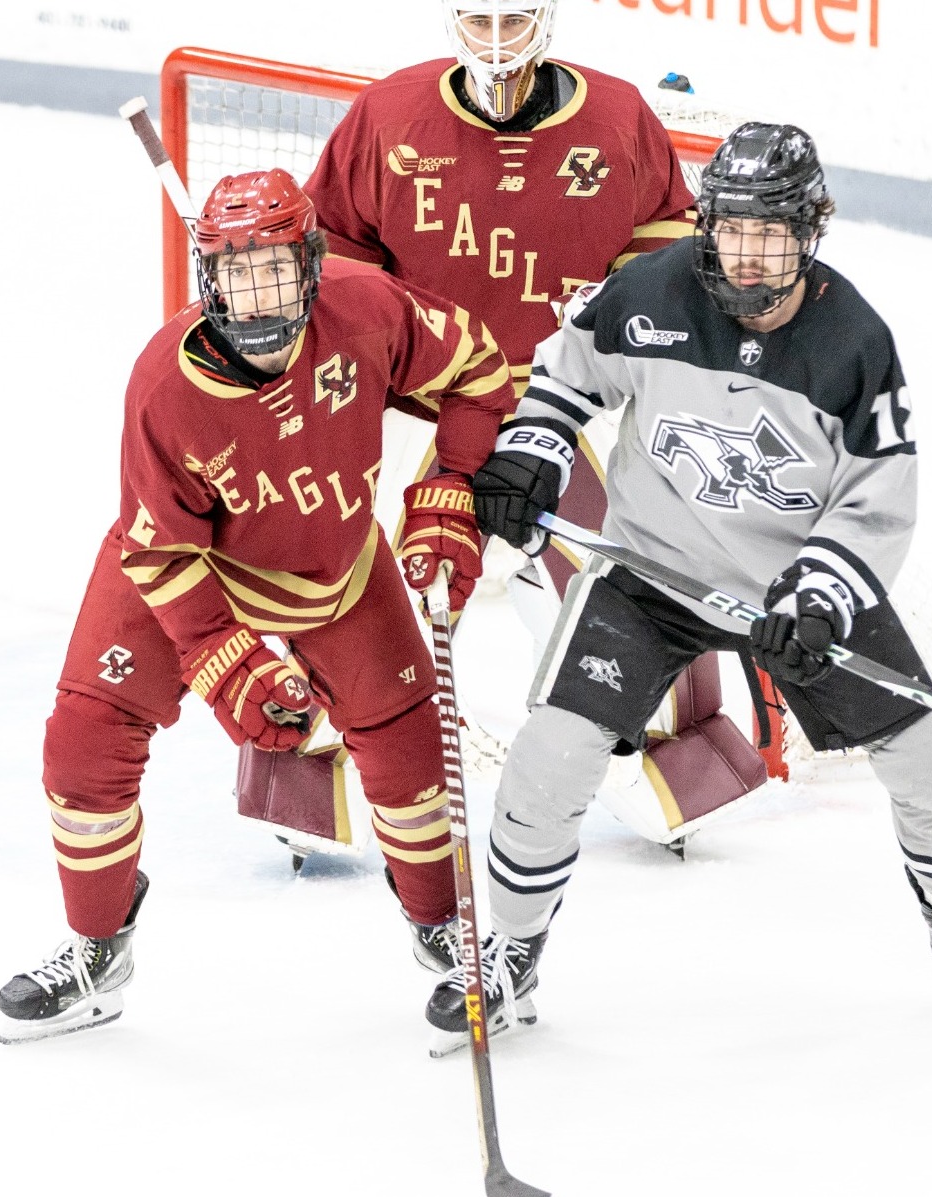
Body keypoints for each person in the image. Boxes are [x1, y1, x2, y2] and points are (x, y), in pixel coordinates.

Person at [422, 122, 932, 1054]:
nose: (751, 254)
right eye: (733, 228)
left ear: (813, 229)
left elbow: (878, 492)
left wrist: (815, 594)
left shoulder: (853, 339)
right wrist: (533, 449)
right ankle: (507, 954)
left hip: (791, 594)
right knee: (550, 757)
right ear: (706, 223)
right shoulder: (648, 292)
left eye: (774, 232)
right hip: (650, 574)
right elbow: (568, 372)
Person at [0, 168, 517, 1044]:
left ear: (312, 262)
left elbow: (476, 368)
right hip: (181, 563)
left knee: (411, 747)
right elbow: (158, 545)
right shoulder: (164, 385)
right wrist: (219, 654)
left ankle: (442, 930)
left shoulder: (371, 308)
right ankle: (95, 949)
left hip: (329, 559)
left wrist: (449, 489)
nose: (258, 295)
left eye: (275, 268)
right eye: (237, 274)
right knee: (83, 739)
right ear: (210, 281)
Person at [262, 0, 771, 863]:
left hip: (556, 401)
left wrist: (614, 332)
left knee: (636, 578)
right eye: (479, 21)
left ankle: (670, 765)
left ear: (546, 20)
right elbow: (337, 252)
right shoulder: (387, 114)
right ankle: (318, 785)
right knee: (349, 577)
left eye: (512, 21)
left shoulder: (615, 118)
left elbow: (662, 257)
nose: (495, 43)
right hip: (421, 397)